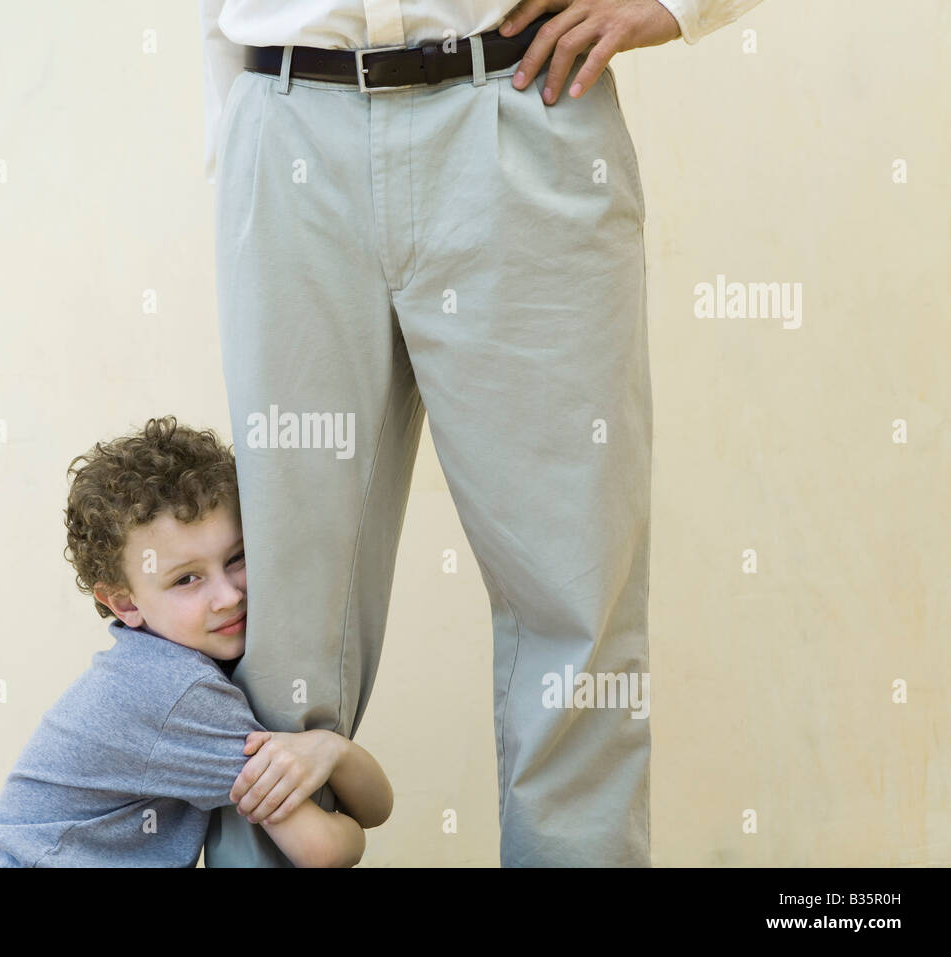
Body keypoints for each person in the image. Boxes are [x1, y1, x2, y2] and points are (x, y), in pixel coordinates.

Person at [198, 0, 764, 867]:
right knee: (276, 617)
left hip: (519, 104)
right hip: (287, 123)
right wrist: (236, 138)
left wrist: (679, 7)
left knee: (576, 598)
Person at [0, 416, 394, 867]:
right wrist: (333, 760)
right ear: (125, 604)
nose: (228, 596)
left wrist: (331, 749)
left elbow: (376, 810)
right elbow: (327, 852)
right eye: (187, 579)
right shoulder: (176, 693)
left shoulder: (153, 665)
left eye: (236, 558)